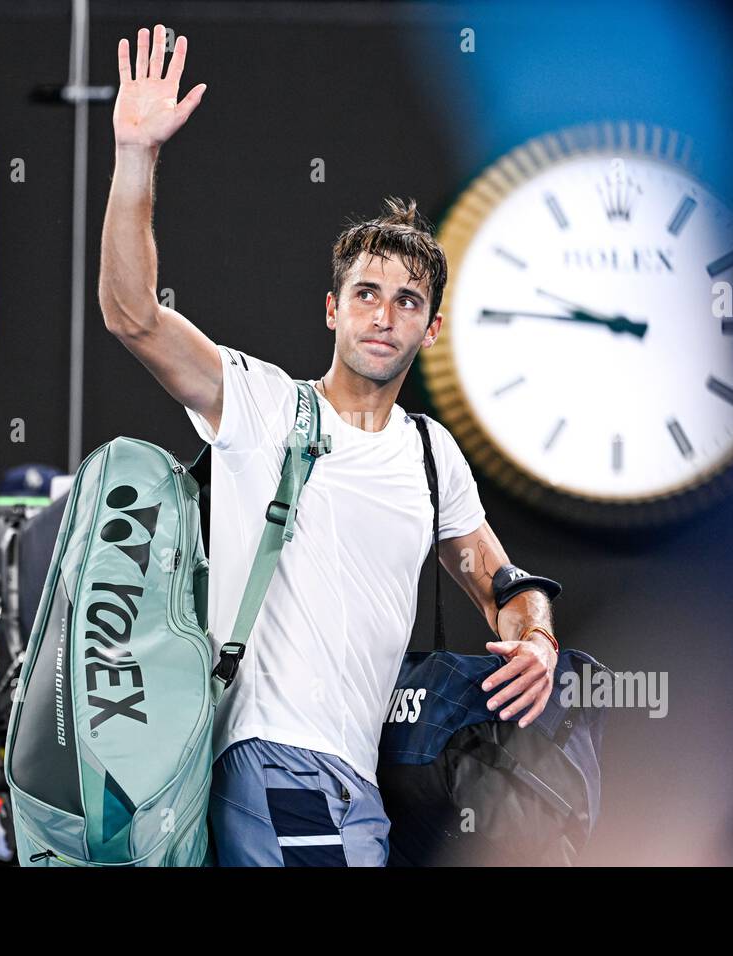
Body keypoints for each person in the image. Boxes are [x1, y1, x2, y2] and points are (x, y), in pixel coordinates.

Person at [99, 24, 564, 867]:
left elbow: (504, 581)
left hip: (360, 781)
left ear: (429, 329)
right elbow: (132, 314)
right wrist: (137, 157)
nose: (383, 314)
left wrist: (536, 638)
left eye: (407, 301)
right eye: (366, 294)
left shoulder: (433, 452)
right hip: (273, 756)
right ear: (332, 309)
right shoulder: (265, 405)